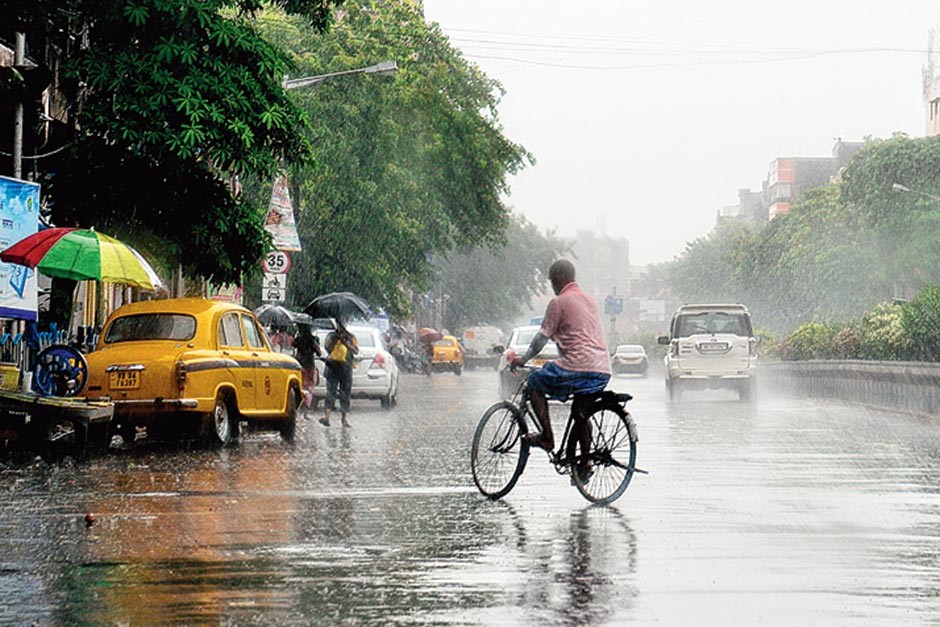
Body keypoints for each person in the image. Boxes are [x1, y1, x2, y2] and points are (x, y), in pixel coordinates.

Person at [510, 259, 611, 475]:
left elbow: (541, 339)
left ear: (557, 280)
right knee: (581, 413)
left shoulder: (559, 302)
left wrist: (524, 359)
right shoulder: (590, 300)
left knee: (534, 382)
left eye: (552, 282)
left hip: (577, 366)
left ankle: (547, 437)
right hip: (601, 368)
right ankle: (584, 464)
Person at [319, 321, 358, 428]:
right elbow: (328, 348)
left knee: (345, 393)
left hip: (346, 367)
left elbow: (356, 351)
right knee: (330, 392)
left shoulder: (351, 337)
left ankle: (344, 419)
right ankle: (327, 417)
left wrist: (346, 342)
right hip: (332, 366)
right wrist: (336, 339)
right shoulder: (331, 336)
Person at [292, 323, 322, 416]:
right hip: (309, 366)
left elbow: (293, 346)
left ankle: (300, 409)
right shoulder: (314, 340)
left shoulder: (299, 339)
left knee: (301, 387)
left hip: (301, 366)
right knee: (309, 389)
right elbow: (319, 353)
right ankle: (305, 410)